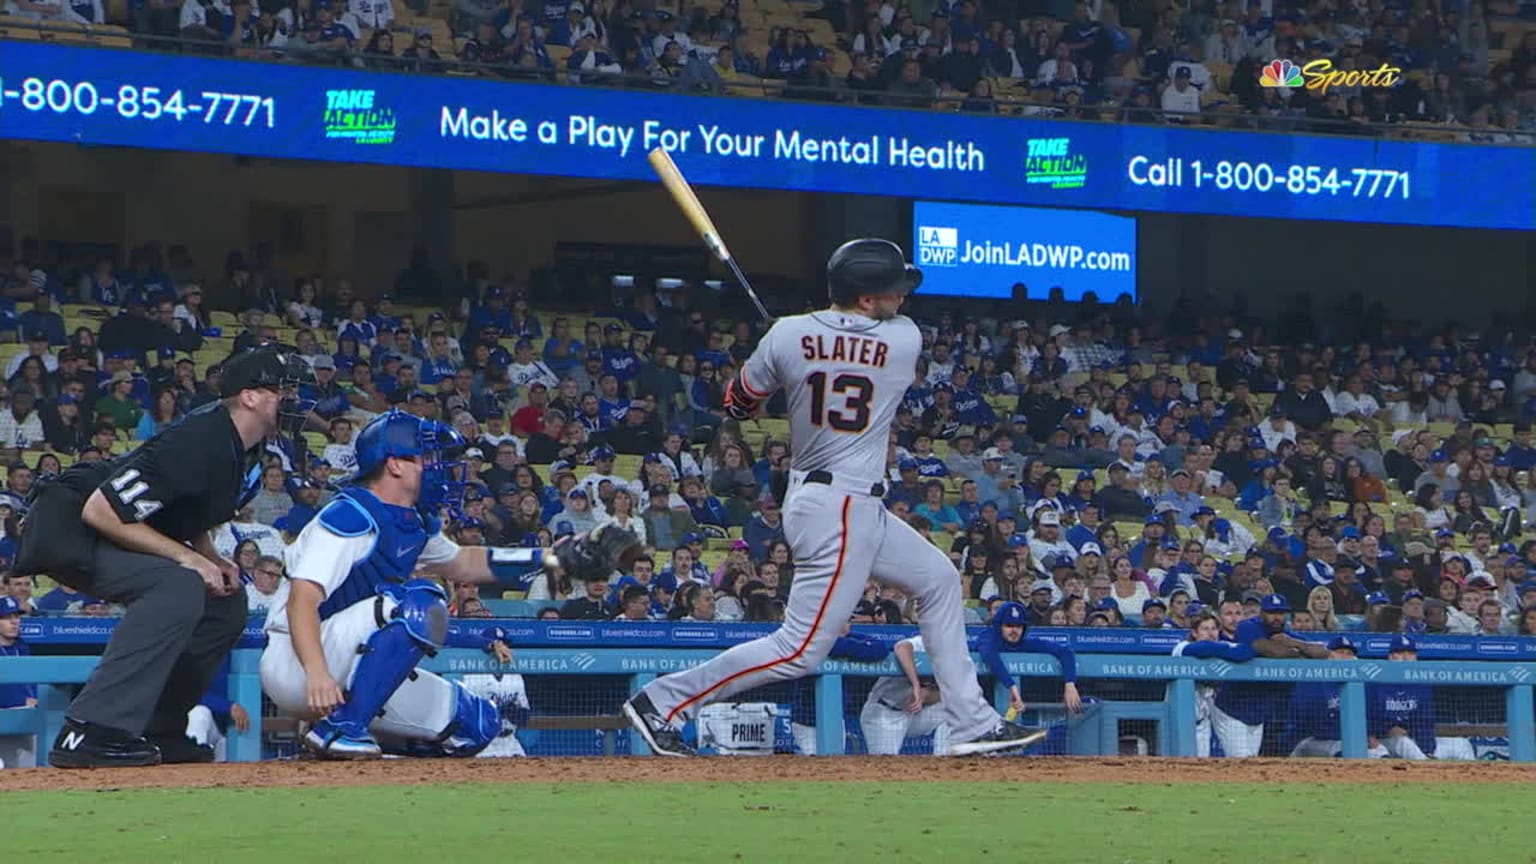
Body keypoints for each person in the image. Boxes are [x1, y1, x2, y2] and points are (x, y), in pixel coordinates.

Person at [623, 239, 1035, 757]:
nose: (902, 298)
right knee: (798, 649)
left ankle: (972, 722)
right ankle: (663, 701)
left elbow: (738, 403)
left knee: (938, 579)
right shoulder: (903, 340)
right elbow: (849, 353)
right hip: (839, 507)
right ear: (866, 299)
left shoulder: (788, 334)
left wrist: (785, 349)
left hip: (842, 503)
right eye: (892, 290)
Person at [260, 408, 635, 758]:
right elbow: (302, 600)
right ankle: (341, 727)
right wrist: (317, 674)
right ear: (393, 464)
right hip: (298, 660)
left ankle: (339, 752)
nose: (437, 468)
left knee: (475, 725)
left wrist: (551, 557)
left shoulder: (414, 520)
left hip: (350, 663)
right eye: (425, 458)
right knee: (422, 600)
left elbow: (462, 562)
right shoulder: (350, 514)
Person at [14, 347, 315, 768]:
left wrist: (211, 556)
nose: (295, 400)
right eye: (285, 391)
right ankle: (90, 730)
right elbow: (102, 510)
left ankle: (159, 726)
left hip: (119, 527)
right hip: (73, 525)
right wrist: (191, 561)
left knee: (225, 602)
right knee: (178, 585)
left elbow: (185, 509)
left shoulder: (245, 449)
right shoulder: (199, 439)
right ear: (249, 396)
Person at [1209, 594, 1327, 758]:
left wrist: (1294, 643)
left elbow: (1322, 652)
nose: (1277, 617)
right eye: (1272, 612)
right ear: (1262, 613)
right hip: (1232, 708)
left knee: (1250, 759)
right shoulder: (1248, 627)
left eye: (1280, 613)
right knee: (1241, 761)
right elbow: (1272, 650)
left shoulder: (1285, 633)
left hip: (1258, 712)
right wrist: (1296, 651)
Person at [1366, 635, 1476, 761]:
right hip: (1384, 740)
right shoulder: (1375, 682)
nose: (1406, 657)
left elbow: (1425, 722)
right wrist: (1387, 729)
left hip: (1414, 738)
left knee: (1462, 745)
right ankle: (1428, 773)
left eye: (1410, 653)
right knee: (1403, 743)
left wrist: (1428, 749)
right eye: (1400, 653)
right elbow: (1367, 718)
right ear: (1390, 657)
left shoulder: (1421, 684)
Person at [1171, 609, 1255, 758]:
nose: (1210, 633)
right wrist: (1226, 649)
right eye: (1205, 629)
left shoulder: (1219, 645)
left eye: (1214, 629)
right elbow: (1202, 648)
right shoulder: (1181, 647)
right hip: (1177, 722)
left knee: (1201, 767)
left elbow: (1247, 651)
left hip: (1202, 722)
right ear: (1194, 633)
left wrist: (1220, 648)